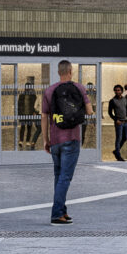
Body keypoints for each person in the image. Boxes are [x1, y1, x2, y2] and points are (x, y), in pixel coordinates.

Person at [40, 60, 91, 224]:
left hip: (55, 140)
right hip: (72, 138)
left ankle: (62, 210)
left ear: (58, 71)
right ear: (70, 70)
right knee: (65, 177)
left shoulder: (49, 90)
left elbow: (44, 116)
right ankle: (56, 214)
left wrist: (45, 140)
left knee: (59, 176)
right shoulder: (79, 88)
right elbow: (90, 111)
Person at [109, 84, 127, 161]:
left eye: (118, 90)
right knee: (118, 138)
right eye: (115, 90)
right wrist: (116, 120)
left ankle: (116, 150)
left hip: (125, 122)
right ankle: (118, 155)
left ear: (122, 91)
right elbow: (110, 113)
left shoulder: (125, 100)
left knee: (125, 137)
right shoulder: (112, 101)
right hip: (118, 122)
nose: (117, 91)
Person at [16, 79, 41, 150]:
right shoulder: (21, 96)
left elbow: (35, 105)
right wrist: (19, 114)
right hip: (23, 114)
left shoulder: (33, 96)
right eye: (27, 87)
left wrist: (34, 113)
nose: (28, 89)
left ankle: (27, 141)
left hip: (30, 114)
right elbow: (19, 106)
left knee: (29, 128)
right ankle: (21, 141)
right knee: (23, 127)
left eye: (29, 87)